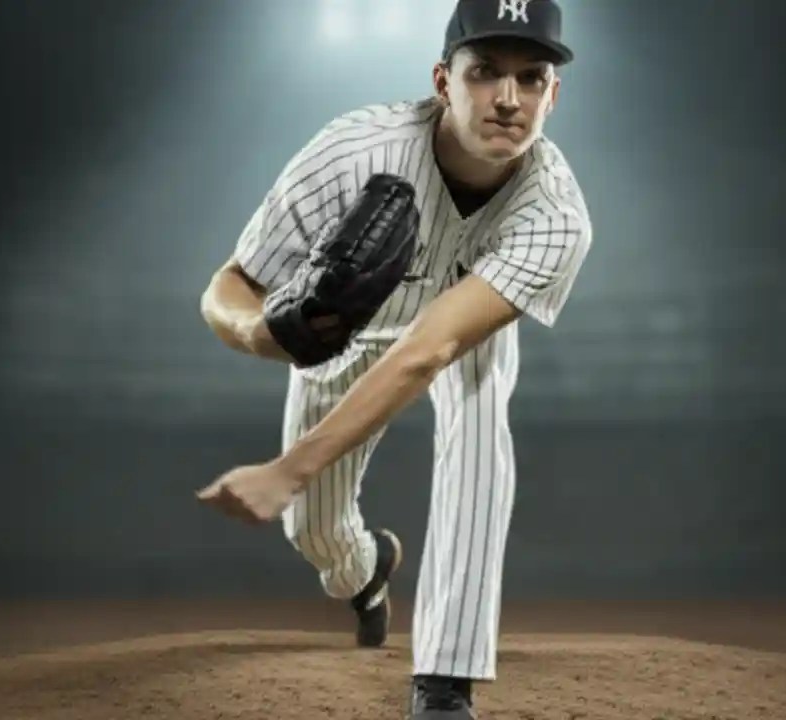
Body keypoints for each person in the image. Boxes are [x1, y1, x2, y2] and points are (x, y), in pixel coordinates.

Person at [197, 1, 590, 716]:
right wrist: (266, 334)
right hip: (345, 332)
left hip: (455, 328)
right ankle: (363, 569)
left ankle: (446, 680)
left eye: (531, 78)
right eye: (484, 73)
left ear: (552, 95)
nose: (508, 98)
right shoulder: (355, 152)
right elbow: (228, 288)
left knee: (478, 419)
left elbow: (430, 349)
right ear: (443, 80)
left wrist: (288, 469)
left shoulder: (555, 215)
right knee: (312, 528)